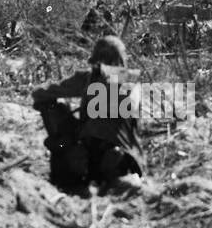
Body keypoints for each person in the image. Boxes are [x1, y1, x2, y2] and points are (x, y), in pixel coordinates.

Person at [32, 35, 144, 192]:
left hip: (96, 157)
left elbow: (39, 93)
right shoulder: (131, 81)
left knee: (49, 107)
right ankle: (113, 178)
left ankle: (68, 168)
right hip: (119, 158)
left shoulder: (89, 77)